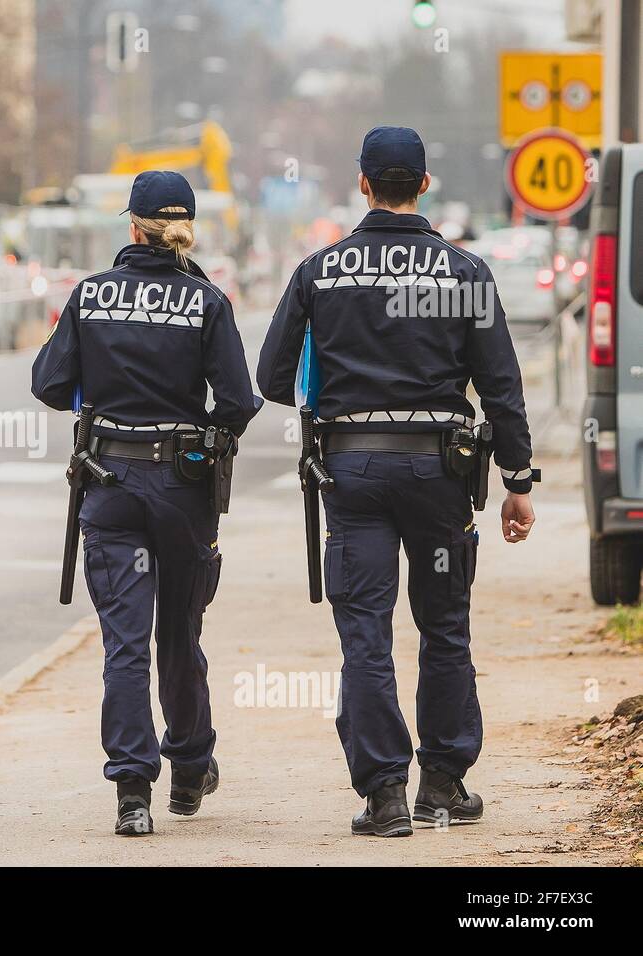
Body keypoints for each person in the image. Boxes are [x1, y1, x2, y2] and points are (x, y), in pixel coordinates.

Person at [256, 127, 537, 837]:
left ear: (362, 184)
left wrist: (332, 391)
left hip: (351, 472)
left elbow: (269, 378)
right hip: (441, 473)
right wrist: (519, 477)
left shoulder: (321, 271)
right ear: (424, 184)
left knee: (365, 632)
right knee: (444, 625)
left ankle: (384, 794)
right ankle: (442, 785)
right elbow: (500, 385)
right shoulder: (465, 273)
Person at [31, 170, 260, 837]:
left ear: (131, 227)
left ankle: (133, 792)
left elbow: (49, 383)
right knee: (179, 634)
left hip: (109, 483)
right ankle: (189, 766)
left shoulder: (91, 296)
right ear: (187, 229)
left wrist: (98, 401)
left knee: (124, 644)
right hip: (182, 491)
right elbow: (240, 402)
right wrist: (202, 439)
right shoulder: (206, 301)